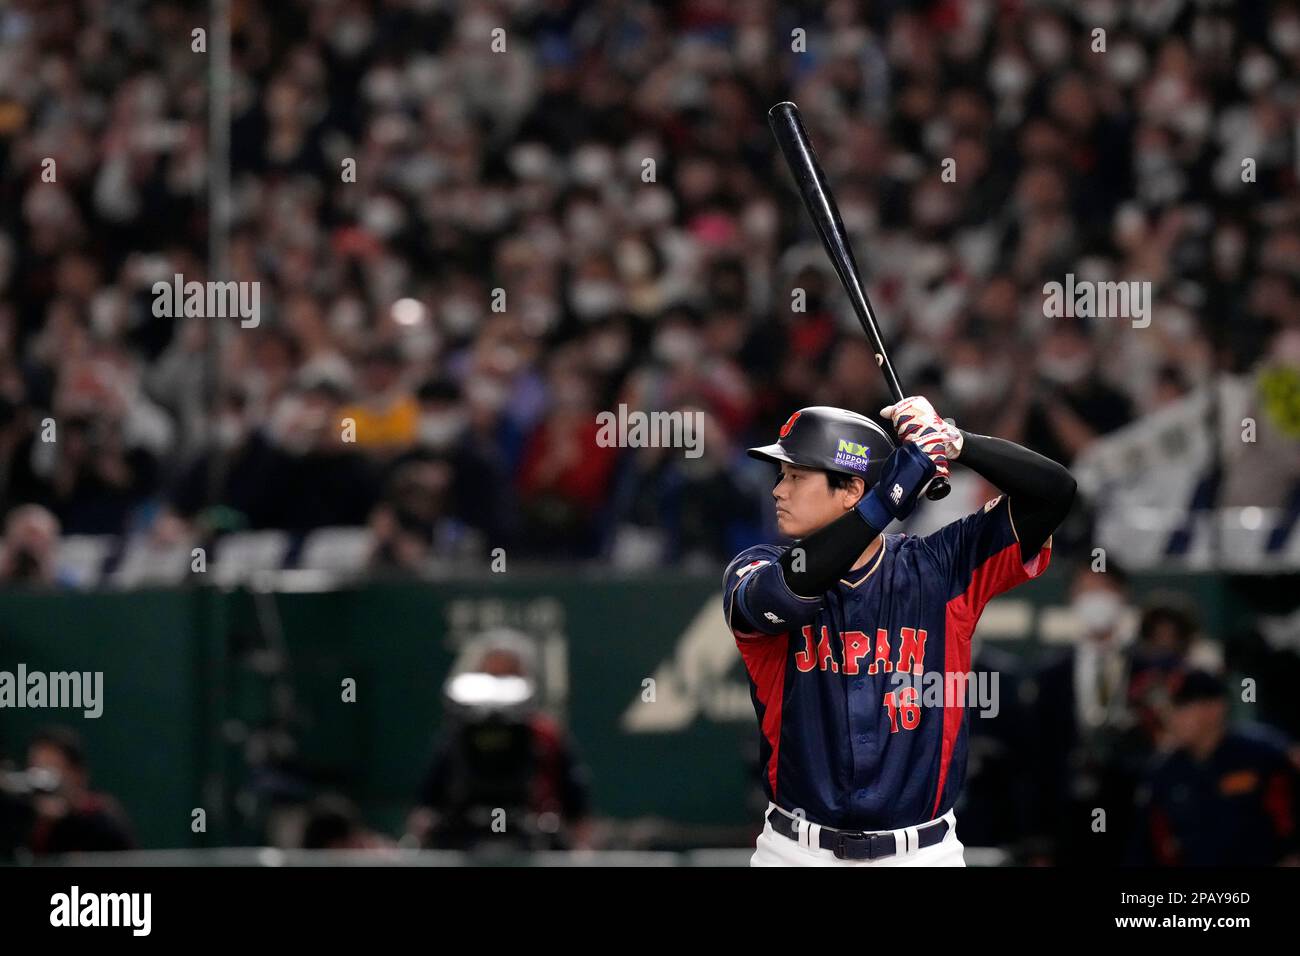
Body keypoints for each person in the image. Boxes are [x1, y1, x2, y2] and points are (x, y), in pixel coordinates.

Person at [723, 397, 1074, 866]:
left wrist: (955, 442)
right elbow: (780, 598)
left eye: (796, 476)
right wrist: (887, 497)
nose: (778, 491)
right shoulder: (757, 566)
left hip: (921, 852)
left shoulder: (941, 565)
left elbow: (1054, 493)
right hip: (795, 851)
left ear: (850, 489)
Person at [1128, 669, 1299, 866]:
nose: (1171, 717)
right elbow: (1145, 847)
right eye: (1169, 708)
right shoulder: (1163, 772)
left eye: (1182, 706)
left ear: (1215, 708)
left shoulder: (1261, 756)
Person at [23, 726, 134, 856]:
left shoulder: (101, 818)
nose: (41, 780)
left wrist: (64, 818)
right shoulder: (29, 822)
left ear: (78, 774)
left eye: (52, 769)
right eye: (35, 769)